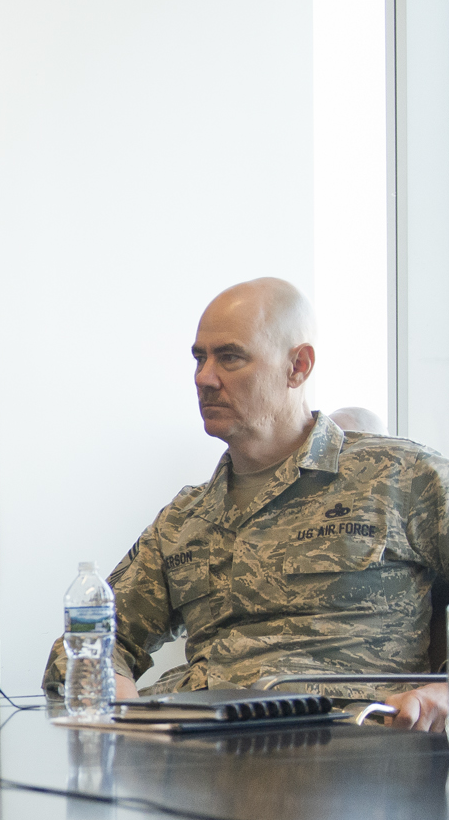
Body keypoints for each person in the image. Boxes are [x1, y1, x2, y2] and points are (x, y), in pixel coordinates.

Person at [41, 278, 449, 730]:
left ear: (298, 366)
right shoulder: (186, 518)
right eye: (200, 358)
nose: (204, 378)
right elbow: (90, 637)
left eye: (230, 357)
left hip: (340, 749)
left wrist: (443, 692)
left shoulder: (400, 477)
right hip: (196, 746)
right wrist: (114, 695)